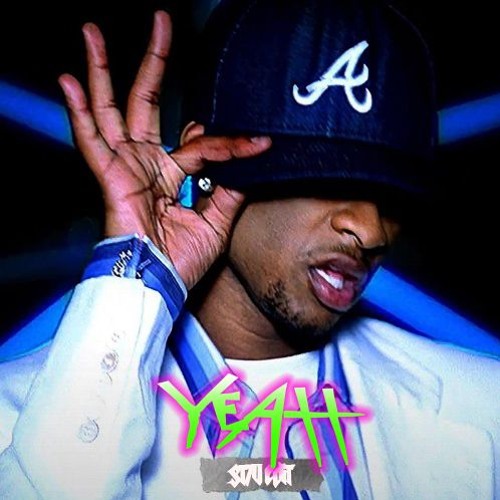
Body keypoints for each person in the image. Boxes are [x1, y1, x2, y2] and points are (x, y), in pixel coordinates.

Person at [0, 0, 499, 498]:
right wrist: (132, 281)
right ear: (209, 160)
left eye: (392, 193)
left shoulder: (485, 408)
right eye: (329, 176)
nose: (370, 231)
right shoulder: (20, 423)